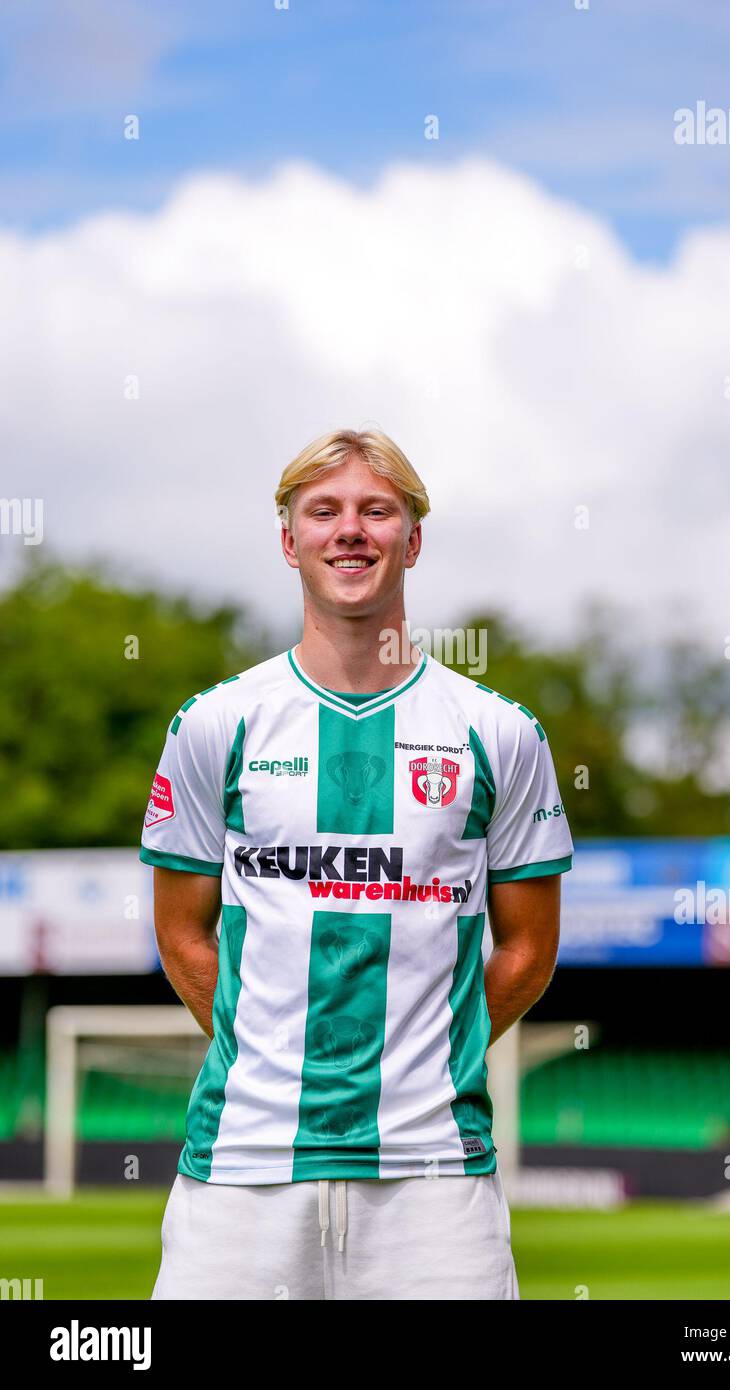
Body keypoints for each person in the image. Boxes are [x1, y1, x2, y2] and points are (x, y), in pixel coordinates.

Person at [141, 427, 573, 1300]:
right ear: (288, 538)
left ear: (412, 538)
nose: (350, 530)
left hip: (435, 1184)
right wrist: (262, 1051)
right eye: (323, 511)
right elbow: (181, 931)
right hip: (242, 1173)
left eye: (377, 511)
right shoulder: (215, 724)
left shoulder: (499, 732)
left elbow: (528, 948)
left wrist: (434, 1057)